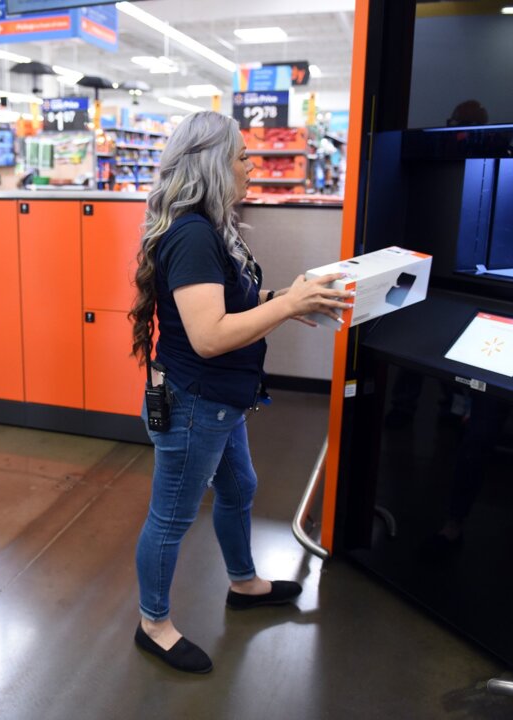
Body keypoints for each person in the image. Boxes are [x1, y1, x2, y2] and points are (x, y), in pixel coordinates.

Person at [129, 111, 354, 674]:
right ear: (212, 165)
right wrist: (286, 307)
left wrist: (290, 296)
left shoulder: (211, 228)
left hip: (220, 402)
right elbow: (208, 337)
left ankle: (244, 583)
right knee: (171, 518)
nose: (252, 166)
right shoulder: (194, 236)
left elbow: (228, 307)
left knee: (240, 487)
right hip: (195, 403)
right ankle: (152, 623)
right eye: (242, 157)